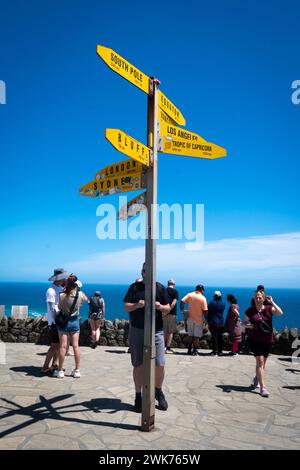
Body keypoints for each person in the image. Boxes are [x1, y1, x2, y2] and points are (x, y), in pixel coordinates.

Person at [123, 263, 171, 412]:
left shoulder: (160, 288)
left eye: (151, 271)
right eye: (146, 271)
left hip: (156, 330)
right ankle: (138, 395)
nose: (148, 273)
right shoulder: (134, 288)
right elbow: (126, 307)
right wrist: (137, 305)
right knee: (138, 364)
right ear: (142, 272)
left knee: (160, 364)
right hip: (137, 330)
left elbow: (168, 308)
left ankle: (158, 390)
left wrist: (159, 307)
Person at [244, 290, 283, 397]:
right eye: (256, 297)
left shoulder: (269, 309)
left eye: (260, 297)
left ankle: (257, 378)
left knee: (262, 364)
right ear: (254, 299)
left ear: (264, 298)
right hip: (255, 340)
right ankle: (263, 388)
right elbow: (244, 323)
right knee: (260, 362)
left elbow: (280, 313)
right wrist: (249, 326)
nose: (257, 299)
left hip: (267, 340)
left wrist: (272, 302)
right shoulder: (250, 310)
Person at [55, 274, 87, 379]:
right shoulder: (80, 294)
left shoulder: (62, 295)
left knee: (63, 346)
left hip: (64, 322)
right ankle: (77, 370)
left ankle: (60, 371)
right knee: (76, 346)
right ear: (76, 284)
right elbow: (84, 300)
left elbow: (59, 307)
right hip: (74, 322)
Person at [41, 268, 69, 374]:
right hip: (54, 322)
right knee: (54, 346)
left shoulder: (58, 289)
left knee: (59, 345)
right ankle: (45, 366)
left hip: (58, 321)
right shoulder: (51, 290)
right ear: (60, 278)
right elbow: (52, 308)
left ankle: (54, 364)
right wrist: (57, 319)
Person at [180, 285, 208, 356]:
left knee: (190, 335)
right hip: (198, 320)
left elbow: (182, 301)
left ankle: (189, 349)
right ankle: (195, 351)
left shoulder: (190, 295)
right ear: (201, 290)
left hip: (190, 319)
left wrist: (182, 310)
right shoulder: (203, 298)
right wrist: (206, 319)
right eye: (203, 290)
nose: (203, 291)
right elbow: (205, 310)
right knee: (196, 336)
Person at [207, 291, 226, 356]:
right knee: (220, 337)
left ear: (215, 296)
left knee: (214, 337)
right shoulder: (223, 303)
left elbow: (208, 310)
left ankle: (214, 351)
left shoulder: (212, 303)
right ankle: (220, 351)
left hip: (213, 322)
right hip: (221, 322)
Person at [163, 279, 179, 353]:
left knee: (164, 331)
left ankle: (162, 347)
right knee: (170, 332)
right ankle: (168, 348)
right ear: (174, 284)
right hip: (172, 313)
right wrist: (169, 310)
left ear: (168, 283)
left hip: (163, 313)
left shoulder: (164, 291)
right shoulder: (175, 292)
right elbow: (173, 303)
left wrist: (165, 311)